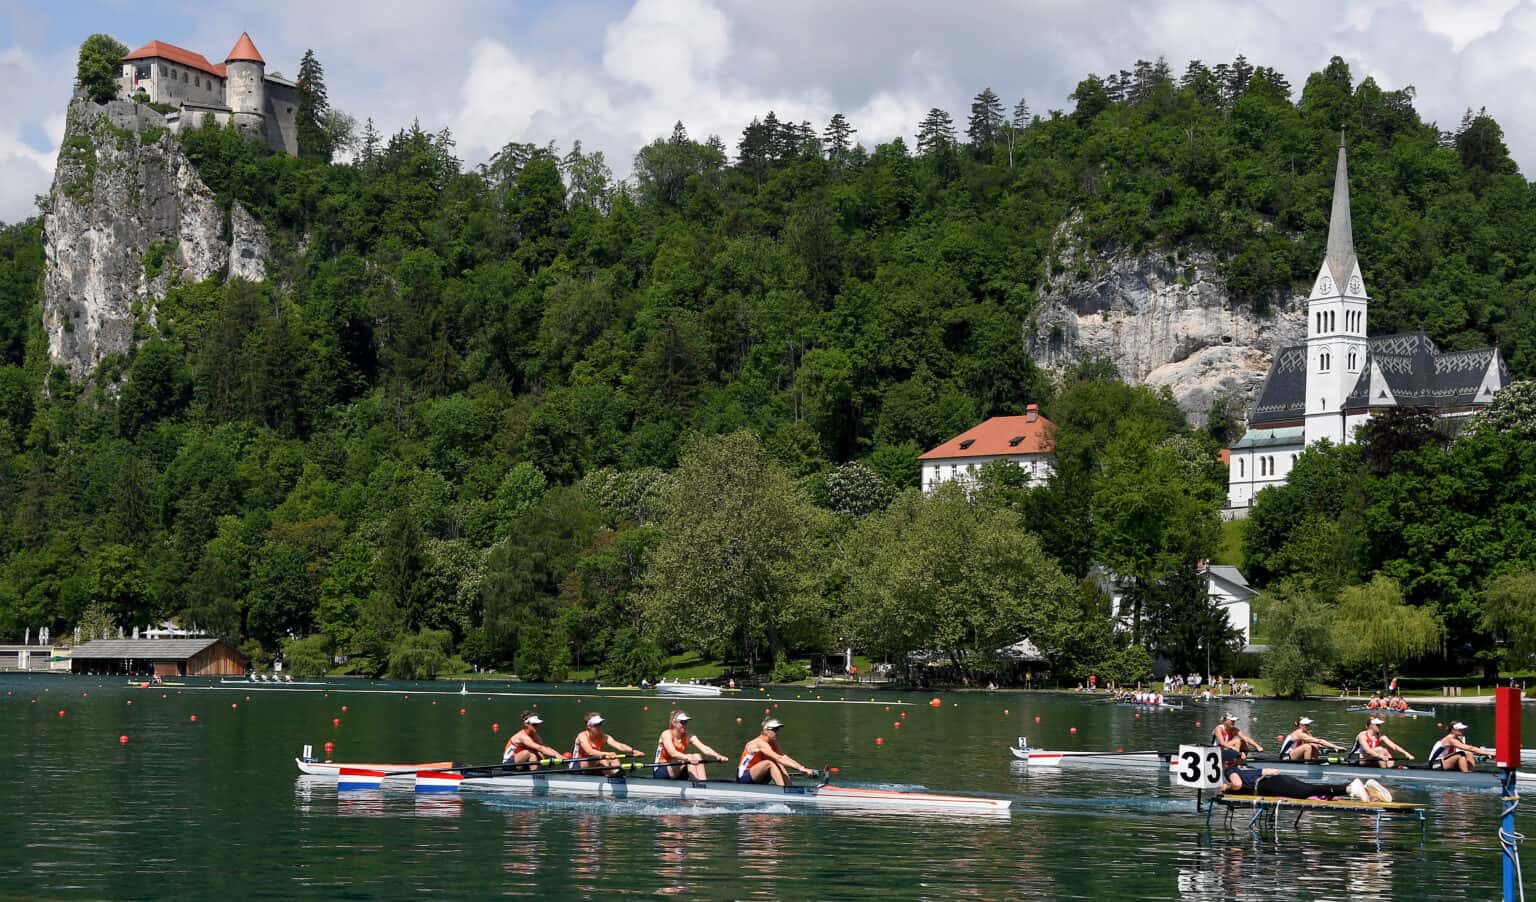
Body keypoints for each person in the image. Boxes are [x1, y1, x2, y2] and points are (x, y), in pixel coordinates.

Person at [1222, 749, 1390, 802]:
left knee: (1308, 790)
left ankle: (1350, 788)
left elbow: (1236, 784)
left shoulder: (1230, 771)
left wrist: (1226, 787)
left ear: (1226, 762)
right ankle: (1366, 790)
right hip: (1274, 780)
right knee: (1309, 789)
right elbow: (1273, 771)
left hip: (1268, 785)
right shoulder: (1245, 767)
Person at [738, 718, 815, 786]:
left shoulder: (773, 743)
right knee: (770, 763)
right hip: (743, 777)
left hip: (757, 777)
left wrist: (802, 768)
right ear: (766, 731)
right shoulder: (759, 742)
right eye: (774, 730)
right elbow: (778, 758)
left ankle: (790, 787)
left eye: (778, 730)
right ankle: (782, 790)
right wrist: (800, 768)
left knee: (778, 763)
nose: (777, 732)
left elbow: (783, 757)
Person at [654, 710, 728, 781]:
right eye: (682, 722)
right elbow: (673, 753)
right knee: (689, 757)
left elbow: (704, 748)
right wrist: (688, 758)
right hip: (661, 770)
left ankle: (703, 784)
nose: (685, 725)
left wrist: (717, 755)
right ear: (674, 723)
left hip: (677, 769)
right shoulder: (666, 734)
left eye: (686, 722)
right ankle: (696, 787)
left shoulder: (688, 736)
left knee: (697, 756)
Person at [572, 713, 640, 775]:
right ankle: (614, 775)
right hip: (577, 765)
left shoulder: (604, 737)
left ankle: (617, 775)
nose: (599, 727)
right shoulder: (582, 736)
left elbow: (619, 745)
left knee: (614, 758)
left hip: (594, 765)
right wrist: (607, 754)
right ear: (589, 726)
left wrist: (633, 750)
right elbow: (589, 751)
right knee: (603, 759)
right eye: (596, 725)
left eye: (600, 724)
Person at [1429, 722, 1493, 772]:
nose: (1463, 730)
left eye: (1462, 729)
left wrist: (1483, 754)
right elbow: (1470, 748)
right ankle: (1466, 775)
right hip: (1435, 764)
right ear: (1453, 730)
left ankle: (1471, 774)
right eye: (1460, 729)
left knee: (1468, 753)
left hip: (1445, 761)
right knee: (1460, 756)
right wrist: (1488, 753)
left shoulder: (1457, 739)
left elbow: (1469, 750)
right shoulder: (1450, 739)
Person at [1280, 717, 1346, 762]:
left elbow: (1317, 744)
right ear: (1300, 725)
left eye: (1308, 724)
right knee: (1307, 747)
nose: (1308, 726)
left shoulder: (1307, 733)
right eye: (1306, 725)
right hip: (1285, 757)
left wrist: (1334, 749)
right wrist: (1337, 746)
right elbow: (1319, 741)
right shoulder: (1298, 733)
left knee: (1314, 746)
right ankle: (1308, 765)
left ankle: (1315, 763)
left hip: (1295, 755)